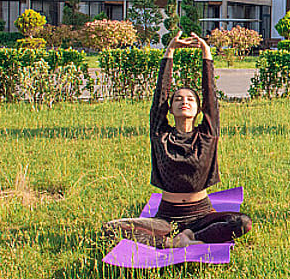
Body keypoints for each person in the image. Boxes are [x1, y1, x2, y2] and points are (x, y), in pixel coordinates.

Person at [104, 31, 251, 248]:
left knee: (242, 223)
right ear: (170, 108)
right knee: (110, 229)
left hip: (201, 214)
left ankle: (191, 237)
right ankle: (171, 241)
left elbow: (211, 97)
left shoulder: (207, 135)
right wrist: (169, 51)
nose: (184, 101)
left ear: (199, 108)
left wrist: (207, 54)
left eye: (190, 99)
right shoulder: (160, 134)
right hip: (166, 218)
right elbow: (159, 97)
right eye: (178, 99)